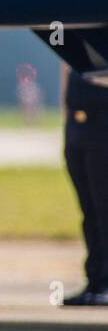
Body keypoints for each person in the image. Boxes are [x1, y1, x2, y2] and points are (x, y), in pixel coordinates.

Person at [61, 63, 108, 306]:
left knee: (104, 208)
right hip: (79, 123)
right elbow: (68, 65)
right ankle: (96, 280)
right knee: (89, 210)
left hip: (103, 121)